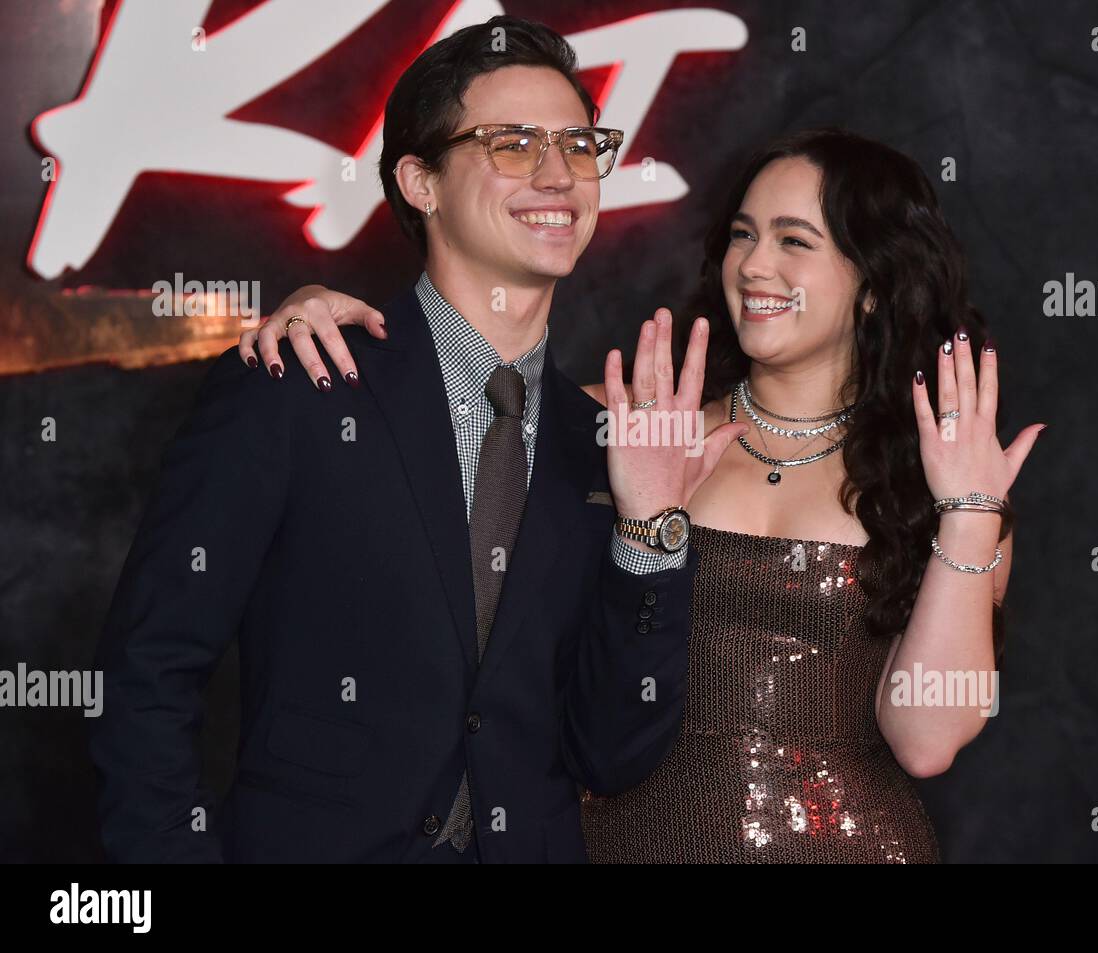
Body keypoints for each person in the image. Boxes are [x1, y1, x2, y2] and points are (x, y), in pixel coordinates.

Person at [247, 127, 1044, 862]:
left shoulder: (945, 484)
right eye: (742, 234)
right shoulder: (616, 424)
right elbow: (428, 422)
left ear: (875, 284)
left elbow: (927, 740)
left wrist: (970, 516)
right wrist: (316, 319)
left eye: (793, 241)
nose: (754, 266)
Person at [89, 15, 744, 864]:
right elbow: (146, 670)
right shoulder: (300, 380)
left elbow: (610, 754)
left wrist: (649, 532)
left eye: (581, 146)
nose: (558, 175)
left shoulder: (604, 448)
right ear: (419, 180)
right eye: (513, 143)